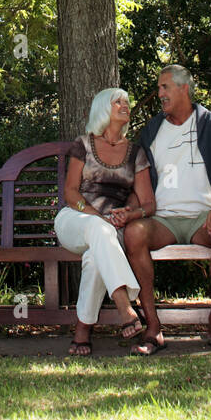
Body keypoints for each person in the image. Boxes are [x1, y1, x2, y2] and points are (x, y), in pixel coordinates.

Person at [124, 65, 211, 355]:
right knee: (133, 234)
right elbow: (139, 181)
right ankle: (153, 329)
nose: (160, 94)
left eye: (165, 87)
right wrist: (128, 211)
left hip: (203, 220)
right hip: (162, 220)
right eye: (158, 88)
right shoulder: (152, 130)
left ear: (184, 88)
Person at [54, 87, 157, 356]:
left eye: (127, 102)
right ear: (103, 108)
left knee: (95, 258)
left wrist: (130, 215)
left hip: (112, 232)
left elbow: (148, 204)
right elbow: (70, 193)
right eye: (118, 102)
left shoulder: (136, 153)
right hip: (75, 220)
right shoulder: (83, 145)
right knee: (100, 230)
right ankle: (124, 303)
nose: (126, 105)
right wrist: (97, 216)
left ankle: (82, 332)